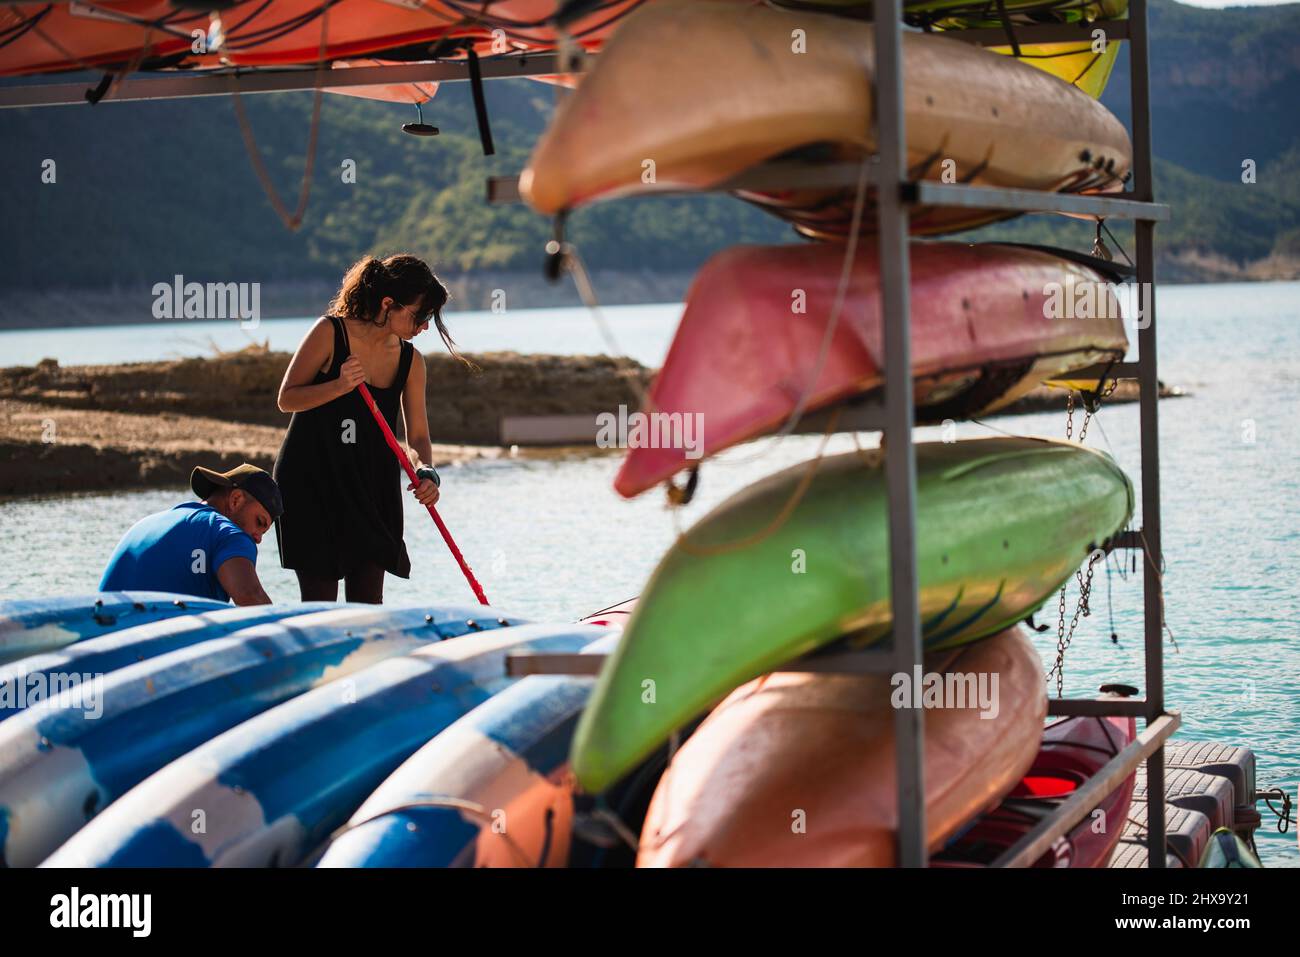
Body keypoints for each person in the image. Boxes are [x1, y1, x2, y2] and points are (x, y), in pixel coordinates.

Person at [273, 254, 475, 604]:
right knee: (320, 607)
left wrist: (426, 471)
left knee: (367, 609)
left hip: (371, 484)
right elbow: (287, 399)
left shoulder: (412, 362)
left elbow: (419, 436)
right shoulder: (329, 332)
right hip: (312, 479)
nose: (425, 326)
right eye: (421, 315)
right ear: (388, 304)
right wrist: (338, 386)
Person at [99, 463, 279, 605]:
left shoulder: (144, 525)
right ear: (236, 500)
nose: (258, 538)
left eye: (264, 532)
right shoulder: (228, 534)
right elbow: (250, 597)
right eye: (259, 522)